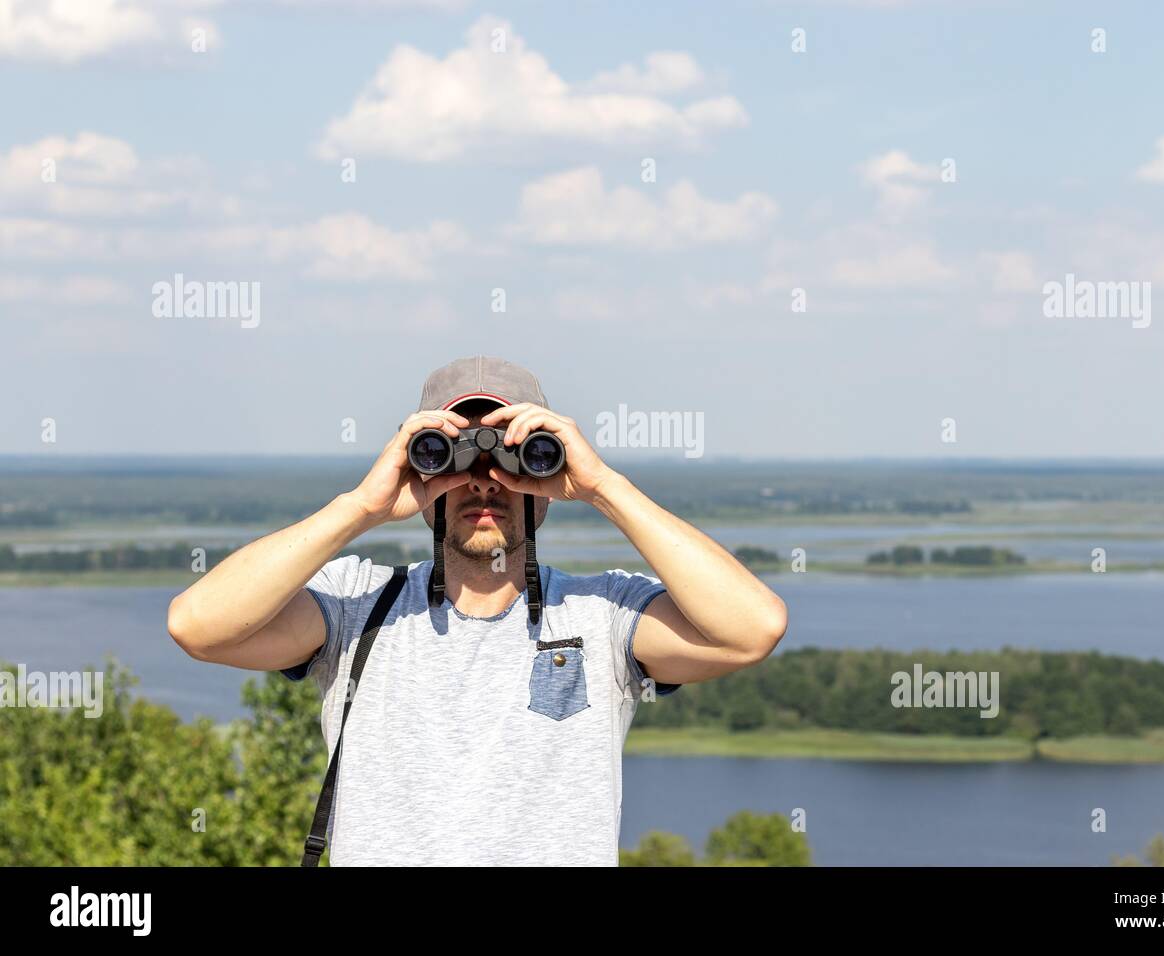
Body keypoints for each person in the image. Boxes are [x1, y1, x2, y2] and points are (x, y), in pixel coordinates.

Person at [167, 355, 788, 865]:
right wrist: (362, 505)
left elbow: (752, 629)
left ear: (549, 479)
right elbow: (198, 626)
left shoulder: (602, 615)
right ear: (417, 463)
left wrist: (603, 486)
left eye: (517, 455)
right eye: (455, 454)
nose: (486, 479)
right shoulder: (359, 606)